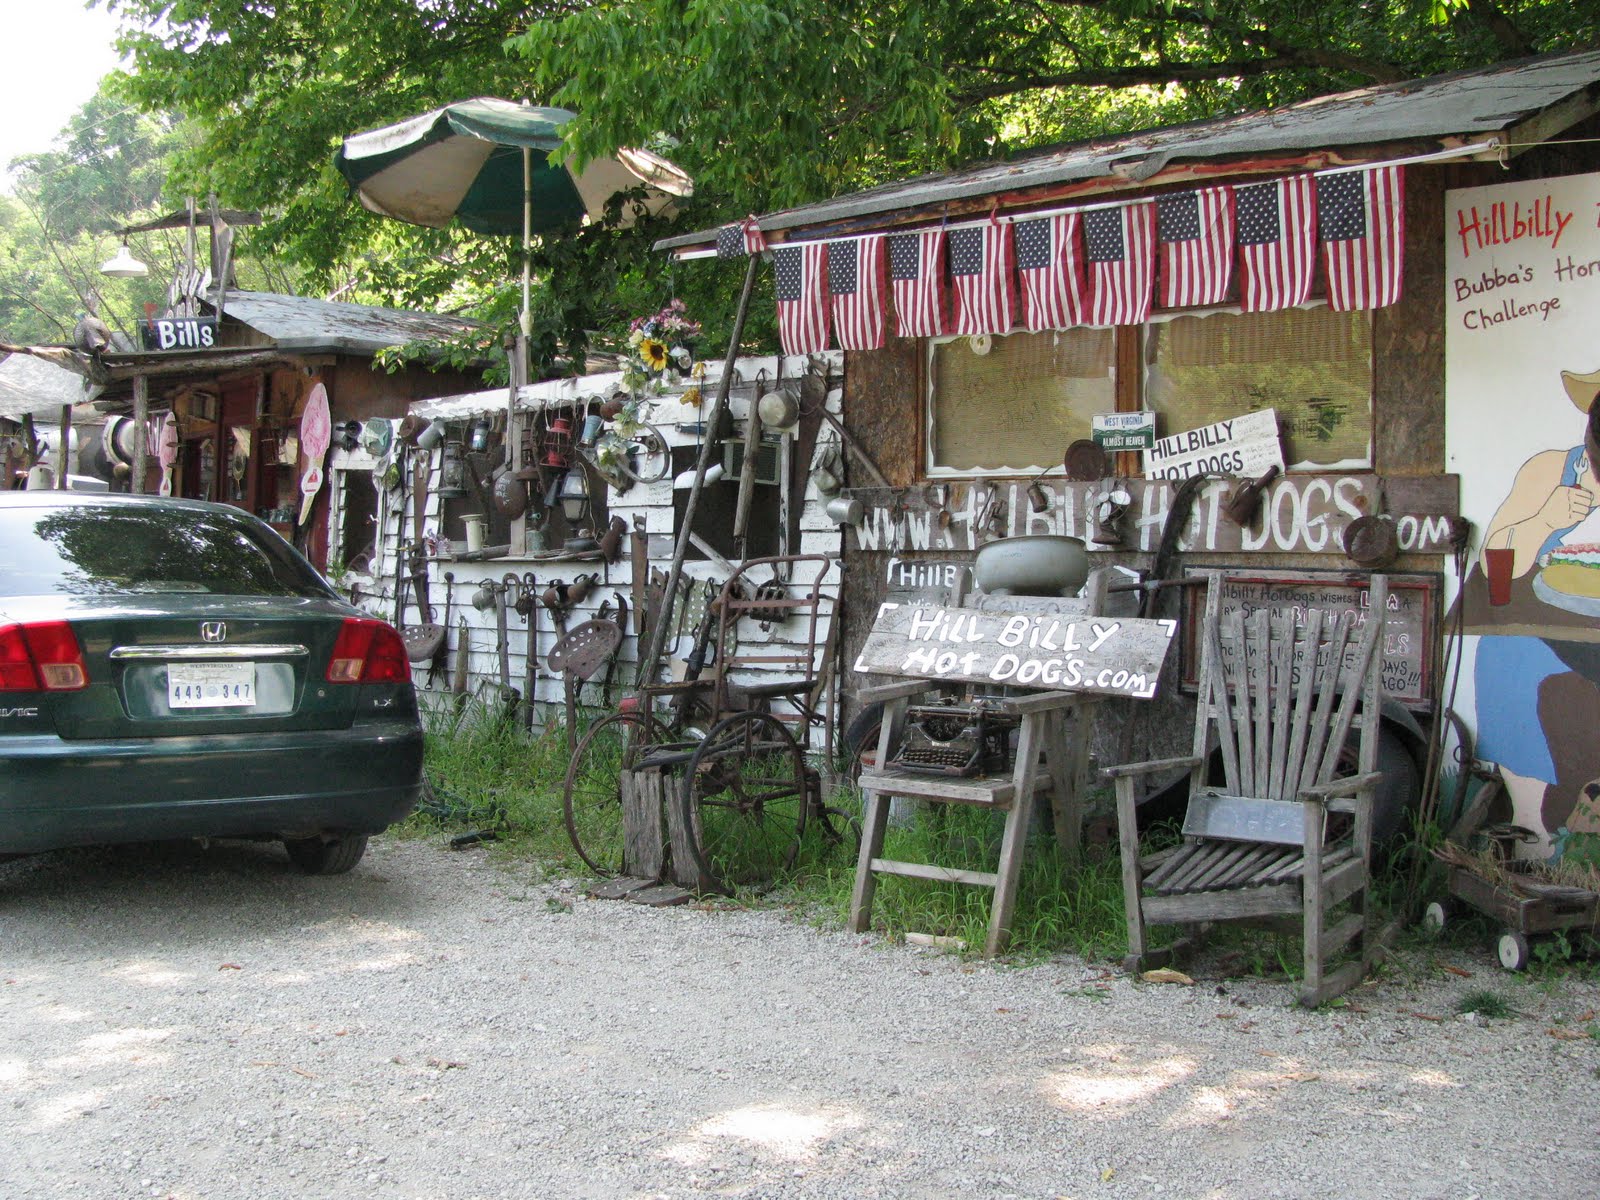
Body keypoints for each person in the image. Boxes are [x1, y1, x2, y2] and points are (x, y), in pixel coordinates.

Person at [1474, 367, 1600, 855]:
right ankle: (1545, 837)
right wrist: (1544, 518)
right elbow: (1495, 568)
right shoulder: (1552, 469)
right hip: (1539, 633)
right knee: (1516, 661)